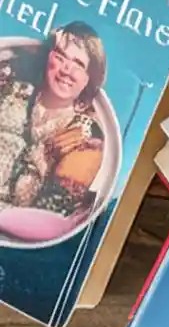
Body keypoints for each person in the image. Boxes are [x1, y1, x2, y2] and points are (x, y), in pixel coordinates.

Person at [0, 21, 107, 223]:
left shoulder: (84, 137)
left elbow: (48, 212)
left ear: (88, 78)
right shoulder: (11, 87)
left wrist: (43, 157)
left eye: (78, 64)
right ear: (47, 57)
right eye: (60, 56)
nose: (66, 69)